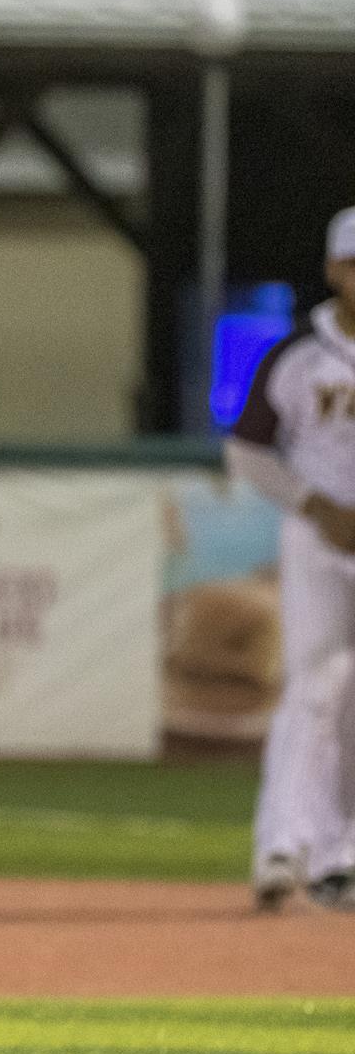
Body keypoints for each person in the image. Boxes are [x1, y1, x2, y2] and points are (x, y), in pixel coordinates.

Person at [226, 205, 355, 912]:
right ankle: (282, 846)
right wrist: (313, 503)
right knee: (315, 684)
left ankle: (341, 858)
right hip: (318, 534)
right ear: (336, 269)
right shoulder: (299, 355)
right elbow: (246, 449)